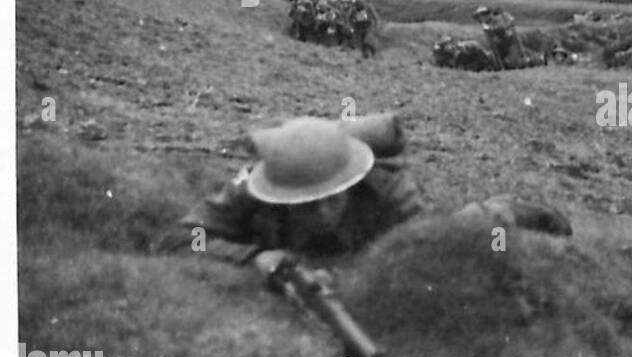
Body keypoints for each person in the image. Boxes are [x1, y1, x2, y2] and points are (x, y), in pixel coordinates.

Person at [175, 116, 571, 267]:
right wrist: (254, 257)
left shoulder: (388, 192)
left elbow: (423, 249)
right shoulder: (255, 187)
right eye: (307, 205)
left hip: (378, 242)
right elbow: (182, 237)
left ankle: (520, 210)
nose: (323, 212)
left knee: (465, 229)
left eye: (333, 198)